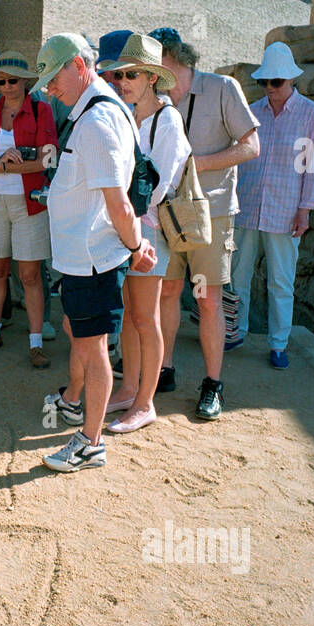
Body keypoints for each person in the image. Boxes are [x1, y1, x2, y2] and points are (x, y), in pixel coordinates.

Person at [34, 34, 155, 472]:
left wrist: (136, 246)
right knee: (79, 331)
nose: (49, 89)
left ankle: (90, 442)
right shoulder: (91, 111)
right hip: (81, 256)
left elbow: (119, 203)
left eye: (53, 78)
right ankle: (72, 403)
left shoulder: (98, 122)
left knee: (94, 344)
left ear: (79, 66)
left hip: (91, 258)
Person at [150, 27, 260, 421]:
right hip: (166, 212)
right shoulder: (155, 95)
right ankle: (164, 371)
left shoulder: (222, 88)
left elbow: (251, 146)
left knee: (209, 300)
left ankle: (213, 384)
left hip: (210, 212)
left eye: (154, 61)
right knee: (166, 293)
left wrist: (194, 165)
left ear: (176, 58)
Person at [103, 34, 191, 433]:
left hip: (148, 230)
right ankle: (130, 390)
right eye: (120, 75)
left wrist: (126, 214)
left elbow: (160, 184)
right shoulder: (131, 114)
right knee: (129, 318)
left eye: (132, 74)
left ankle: (145, 403)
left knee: (146, 318)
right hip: (127, 228)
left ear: (153, 78)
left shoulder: (167, 120)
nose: (123, 82)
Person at [232, 42, 314, 369]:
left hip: (285, 212)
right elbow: (238, 160)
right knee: (237, 277)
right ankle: (235, 333)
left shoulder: (310, 113)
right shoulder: (253, 112)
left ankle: (278, 344)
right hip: (247, 207)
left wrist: (305, 210)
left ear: (291, 80)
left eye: (277, 82)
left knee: (281, 282)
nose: (270, 89)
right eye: (265, 82)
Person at [0, 52, 58, 368]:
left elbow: (48, 159)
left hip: (28, 203)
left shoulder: (41, 110)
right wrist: (2, 166)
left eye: (12, 80)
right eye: (1, 81)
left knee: (30, 274)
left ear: (25, 81)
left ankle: (35, 342)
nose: (7, 87)